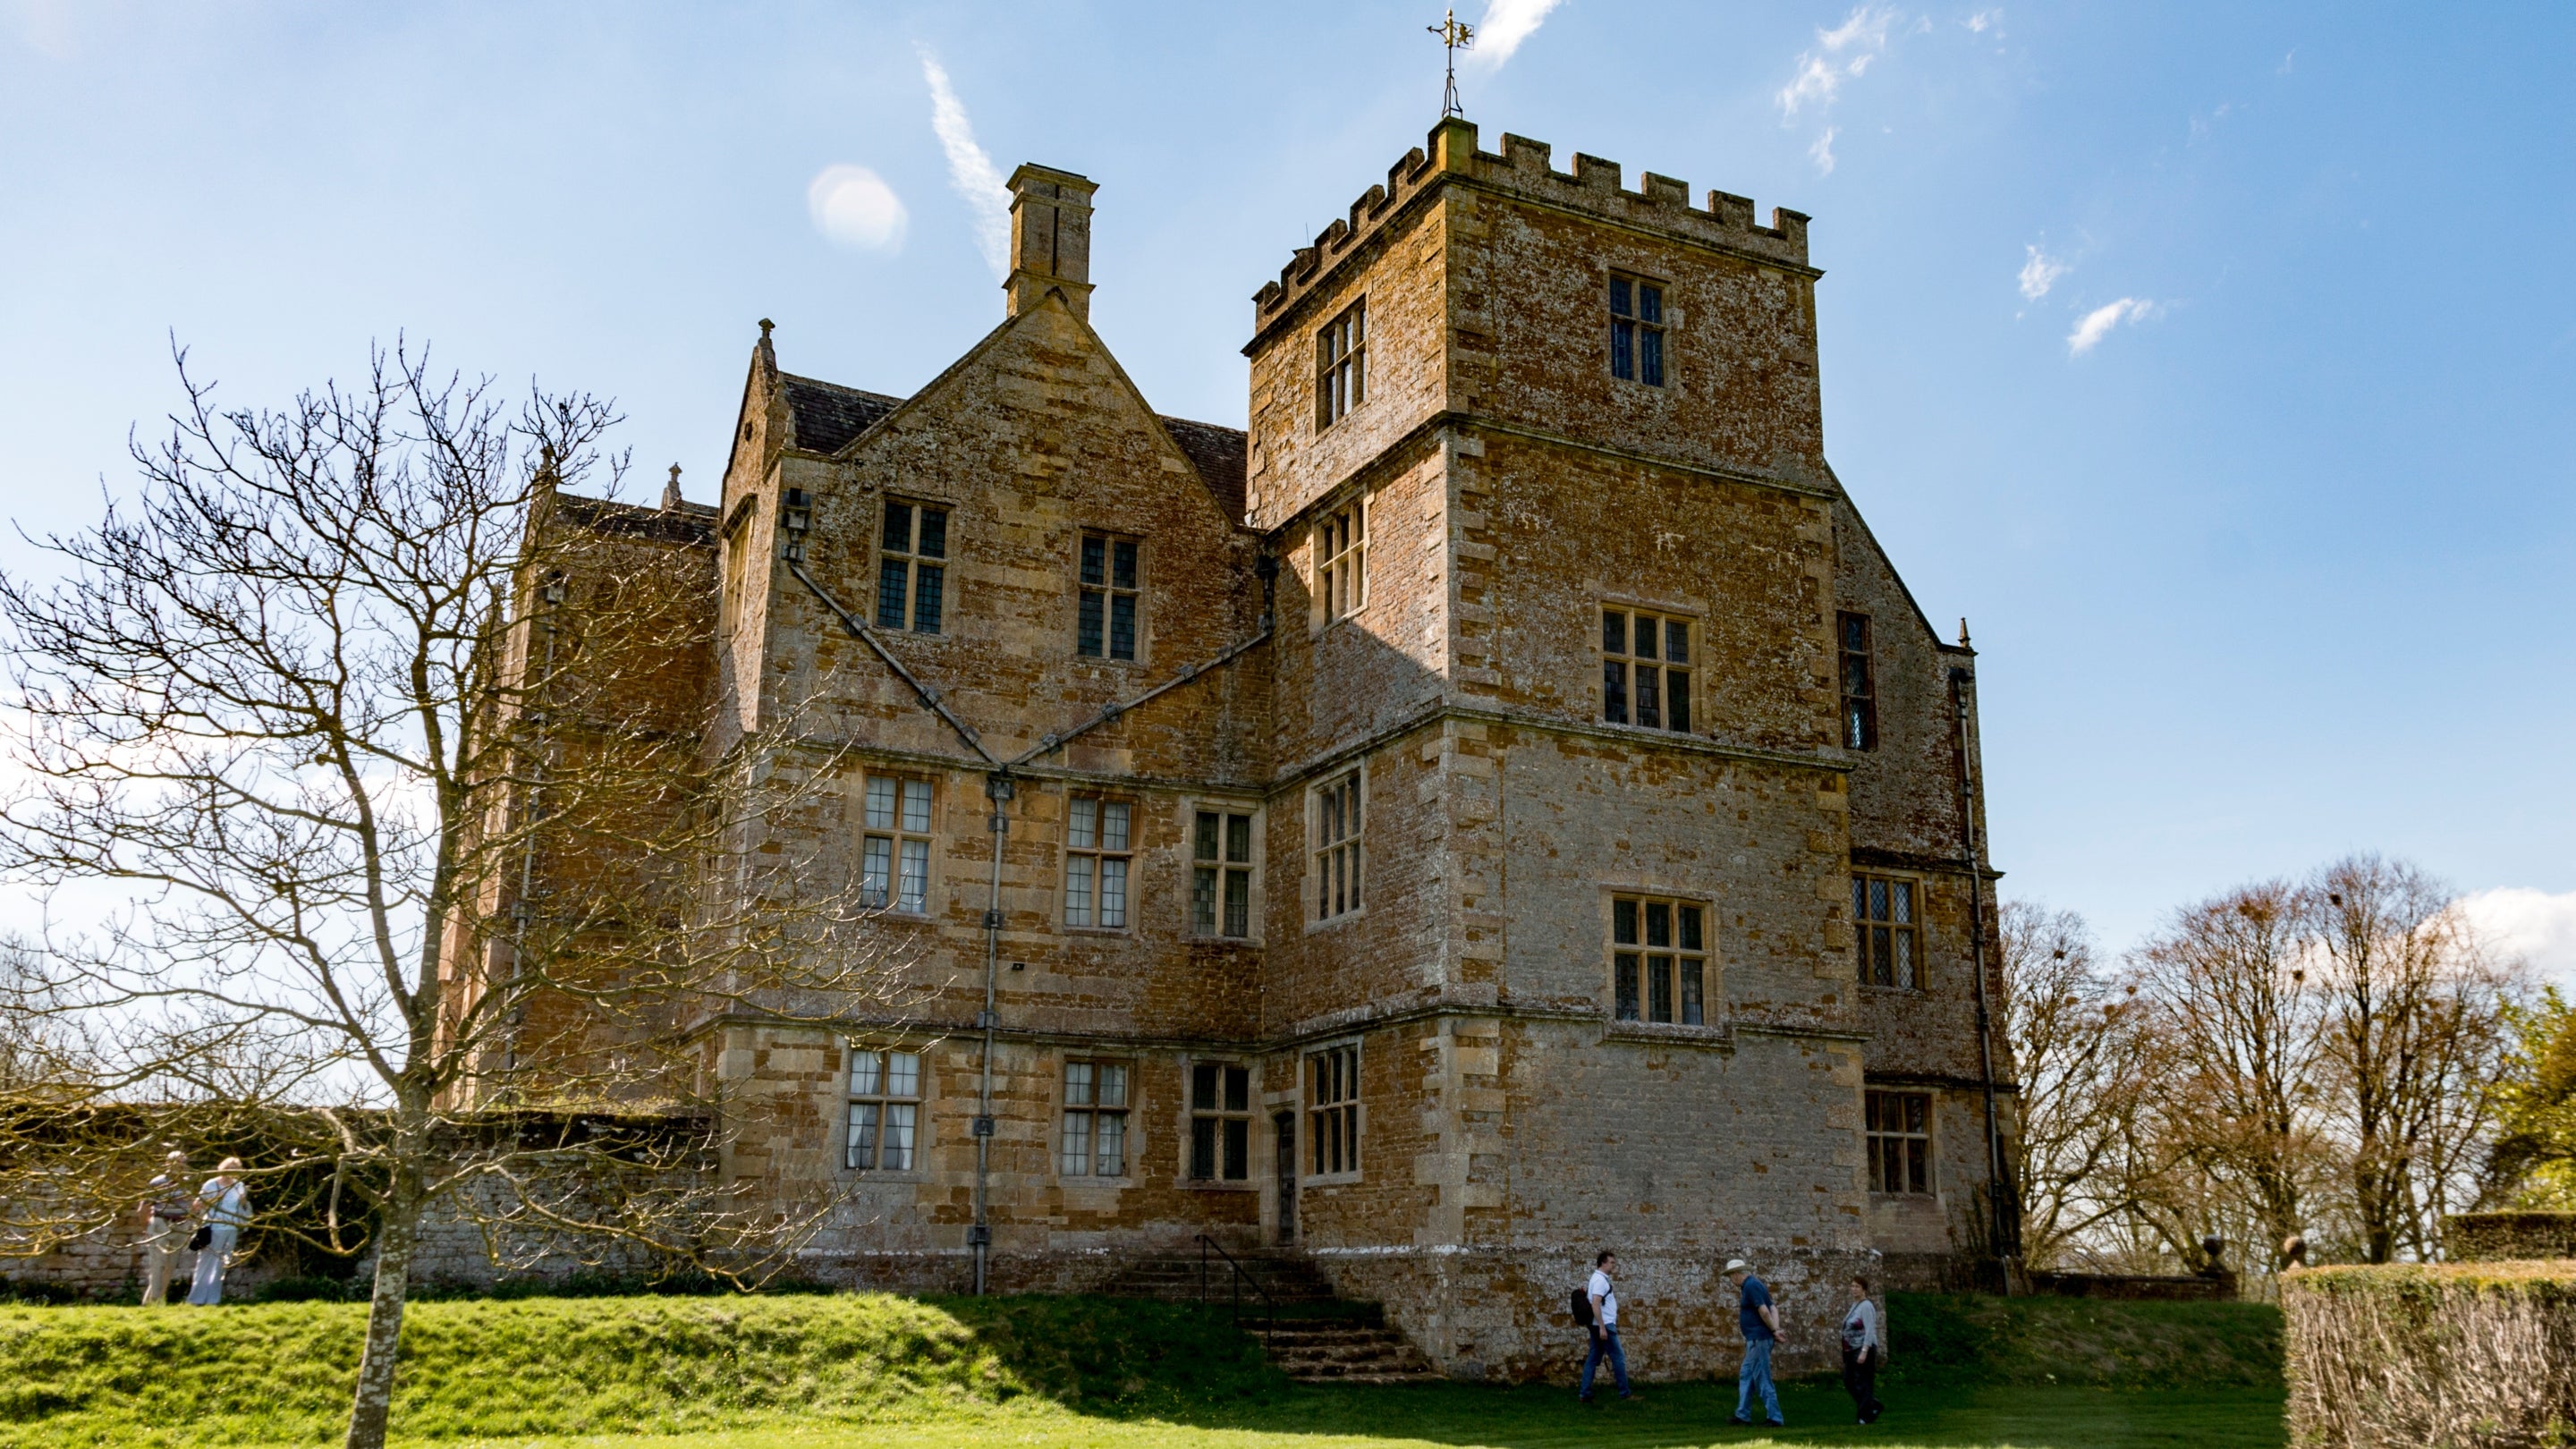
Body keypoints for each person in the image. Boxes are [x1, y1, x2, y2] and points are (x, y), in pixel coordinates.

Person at [1725, 1258, 1784, 1428]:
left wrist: (1774, 1330)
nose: (1731, 1280)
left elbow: (1765, 1311)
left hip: (1758, 1339)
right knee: (1747, 1375)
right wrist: (1776, 1329)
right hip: (1756, 1339)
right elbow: (1773, 1308)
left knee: (1762, 1378)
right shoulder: (1754, 1284)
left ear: (1736, 1274)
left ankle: (1775, 1418)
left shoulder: (1751, 1286)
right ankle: (1743, 1414)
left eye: (1731, 1276)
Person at [186, 1157, 250, 1306]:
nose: (231, 1171)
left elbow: (244, 1208)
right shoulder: (211, 1184)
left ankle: (213, 1300)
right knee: (205, 1264)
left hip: (231, 1228)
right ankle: (195, 1299)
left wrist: (243, 1201)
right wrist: (213, 1199)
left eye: (235, 1168)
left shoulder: (239, 1185)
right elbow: (197, 1205)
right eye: (229, 1167)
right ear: (223, 1168)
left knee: (222, 1265)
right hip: (213, 1228)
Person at [137, 1150, 194, 1306]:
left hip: (181, 1225)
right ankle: (156, 1301)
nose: (179, 1165)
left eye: (182, 1162)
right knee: (157, 1264)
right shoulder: (157, 1182)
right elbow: (144, 1207)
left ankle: (155, 1300)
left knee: (171, 1265)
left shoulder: (188, 1182)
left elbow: (192, 1204)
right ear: (167, 1163)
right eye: (176, 1162)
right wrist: (145, 1228)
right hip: (161, 1223)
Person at [1579, 1250, 1635, 1402]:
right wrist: (1602, 1327)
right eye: (1611, 1263)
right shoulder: (1600, 1281)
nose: (1613, 1265)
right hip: (1604, 1325)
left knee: (1593, 1358)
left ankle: (1585, 1393)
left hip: (1597, 1324)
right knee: (1618, 1357)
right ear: (1603, 1263)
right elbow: (1595, 1304)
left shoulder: (1598, 1278)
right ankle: (1625, 1393)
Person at [1841, 1274, 1885, 1424]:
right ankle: (1871, 1404)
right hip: (1851, 1349)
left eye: (1857, 1287)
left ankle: (1864, 1416)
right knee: (1849, 1380)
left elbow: (1870, 1330)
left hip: (1862, 1348)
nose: (1854, 1289)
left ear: (1864, 1289)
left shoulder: (1866, 1306)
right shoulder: (1855, 1305)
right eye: (1852, 1286)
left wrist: (1864, 1351)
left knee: (1863, 1381)